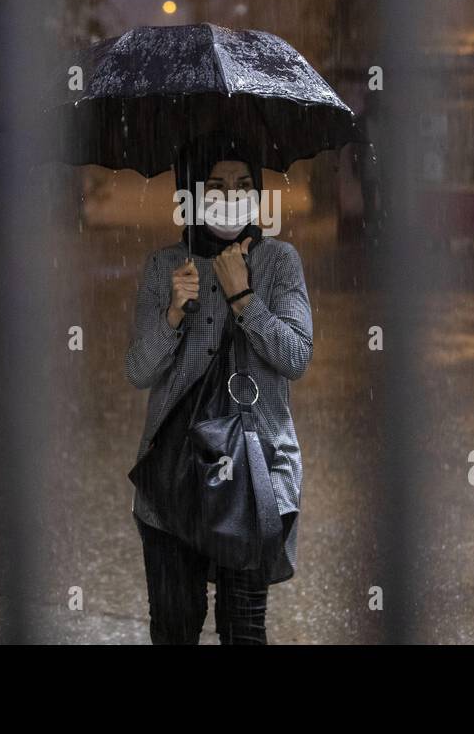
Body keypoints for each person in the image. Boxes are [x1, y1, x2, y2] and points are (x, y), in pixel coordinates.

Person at [124, 131, 313, 644]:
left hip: (255, 473)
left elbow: (296, 357)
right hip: (174, 475)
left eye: (243, 183)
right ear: (190, 192)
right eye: (215, 184)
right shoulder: (167, 265)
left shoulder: (279, 262)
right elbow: (139, 370)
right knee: (174, 626)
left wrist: (243, 297)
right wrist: (171, 313)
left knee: (243, 629)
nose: (230, 195)